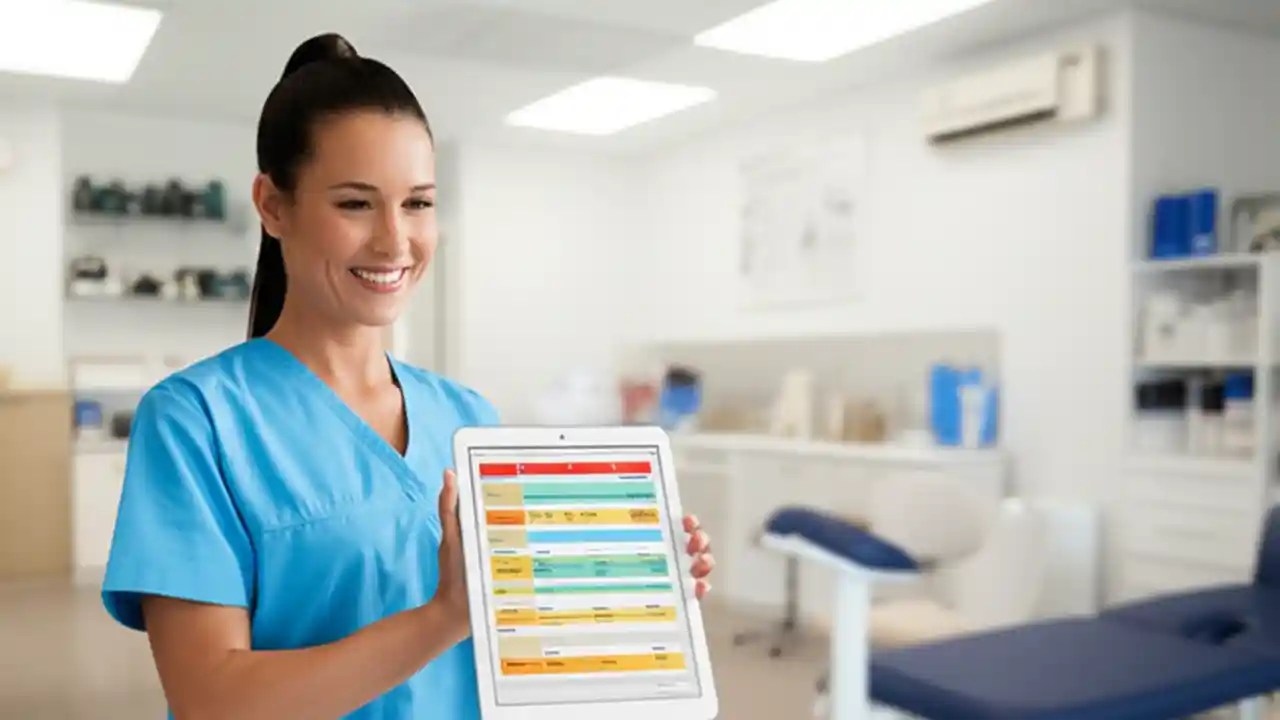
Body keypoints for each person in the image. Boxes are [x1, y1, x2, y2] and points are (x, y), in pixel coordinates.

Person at [101, 32, 715, 720]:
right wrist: (444, 615)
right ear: (273, 206)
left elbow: (523, 644)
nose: (396, 241)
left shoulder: (469, 418)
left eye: (418, 203)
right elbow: (210, 698)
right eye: (356, 204)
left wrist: (633, 594)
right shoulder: (198, 420)